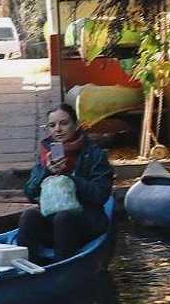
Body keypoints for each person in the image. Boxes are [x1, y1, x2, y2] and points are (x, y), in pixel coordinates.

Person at [18, 102, 113, 261]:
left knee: (63, 218)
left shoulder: (93, 153)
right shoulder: (46, 154)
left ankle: (63, 270)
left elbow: (101, 195)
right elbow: (30, 193)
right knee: (29, 215)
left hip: (86, 221)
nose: (58, 129)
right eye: (52, 125)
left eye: (64, 123)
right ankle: (25, 268)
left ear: (76, 125)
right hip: (51, 221)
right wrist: (47, 171)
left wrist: (69, 178)